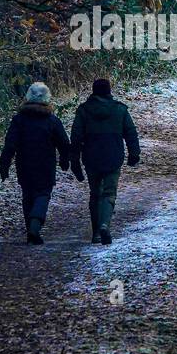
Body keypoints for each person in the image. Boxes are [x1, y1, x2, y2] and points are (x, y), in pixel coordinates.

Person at [70, 78, 140, 245]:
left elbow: (76, 137)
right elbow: (130, 132)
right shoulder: (120, 109)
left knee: (95, 194)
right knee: (109, 193)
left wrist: (75, 161)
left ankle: (96, 233)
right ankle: (104, 225)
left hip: (91, 158)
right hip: (113, 156)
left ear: (93, 91)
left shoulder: (84, 111)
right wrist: (134, 153)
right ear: (109, 91)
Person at [0, 82, 70, 245]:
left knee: (28, 195)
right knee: (43, 194)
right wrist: (65, 160)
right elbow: (64, 143)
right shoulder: (52, 120)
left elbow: (10, 144)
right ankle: (35, 227)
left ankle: (31, 228)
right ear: (47, 98)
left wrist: (4, 165)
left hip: (24, 164)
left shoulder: (19, 120)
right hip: (45, 165)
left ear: (28, 97)